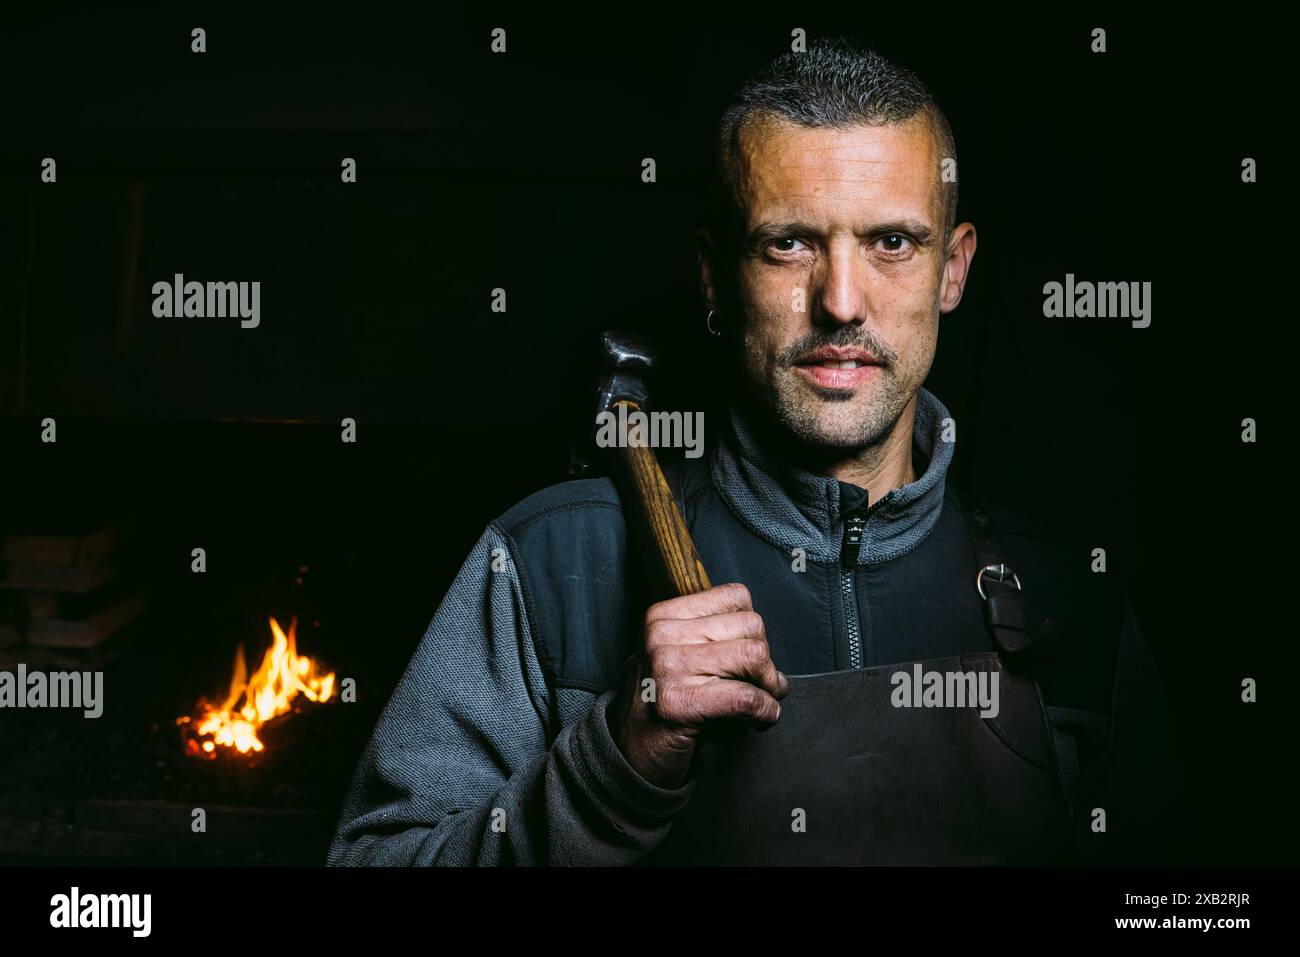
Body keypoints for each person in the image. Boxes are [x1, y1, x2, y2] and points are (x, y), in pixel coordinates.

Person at [328, 38, 1182, 866]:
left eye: (892, 242)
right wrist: (608, 771)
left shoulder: (1076, 605)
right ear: (714, 274)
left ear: (952, 271)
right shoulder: (556, 565)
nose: (841, 302)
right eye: (790, 243)